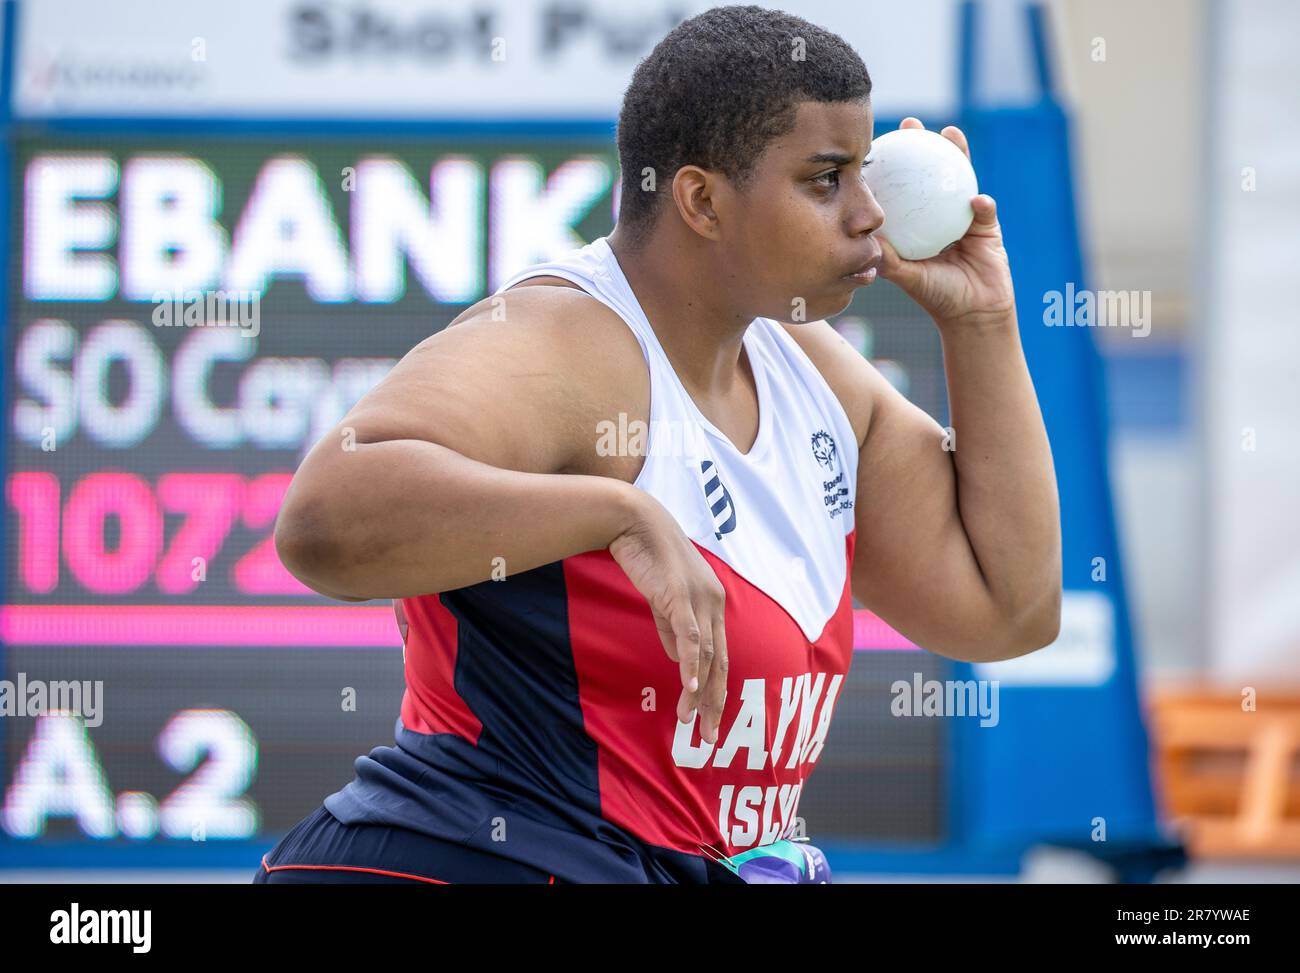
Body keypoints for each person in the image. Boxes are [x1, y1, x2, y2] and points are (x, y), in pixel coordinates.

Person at [256, 4, 1061, 885]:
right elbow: (322, 522)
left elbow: (1007, 608)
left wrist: (982, 322)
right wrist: (618, 512)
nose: (870, 215)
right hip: (466, 858)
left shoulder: (811, 371)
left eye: (865, 173)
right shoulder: (565, 342)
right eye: (826, 180)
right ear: (702, 200)